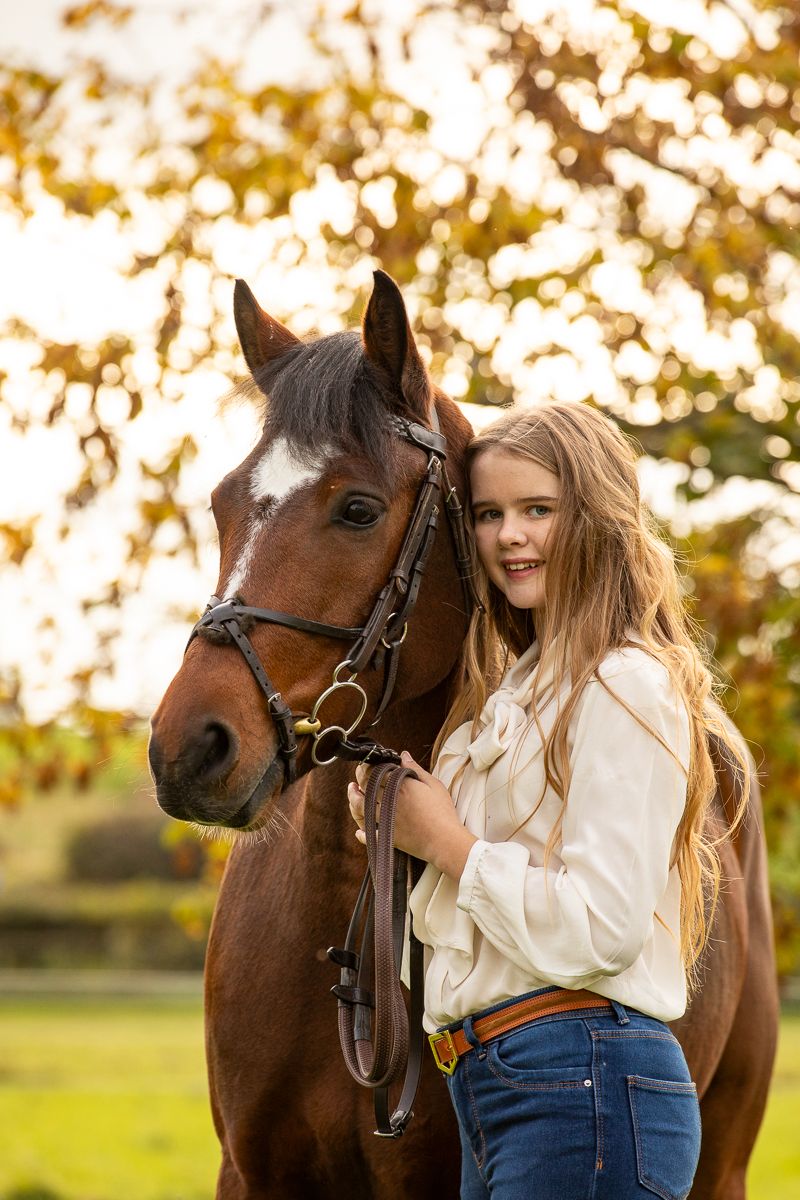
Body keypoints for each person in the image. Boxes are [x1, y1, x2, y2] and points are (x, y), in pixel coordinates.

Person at [348, 400, 750, 1200]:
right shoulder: (518, 695)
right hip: (499, 1082)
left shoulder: (624, 685)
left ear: (597, 518)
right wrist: (398, 832)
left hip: (584, 1081)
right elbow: (469, 914)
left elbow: (599, 929)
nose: (510, 536)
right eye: (491, 514)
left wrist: (450, 846)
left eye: (539, 510)